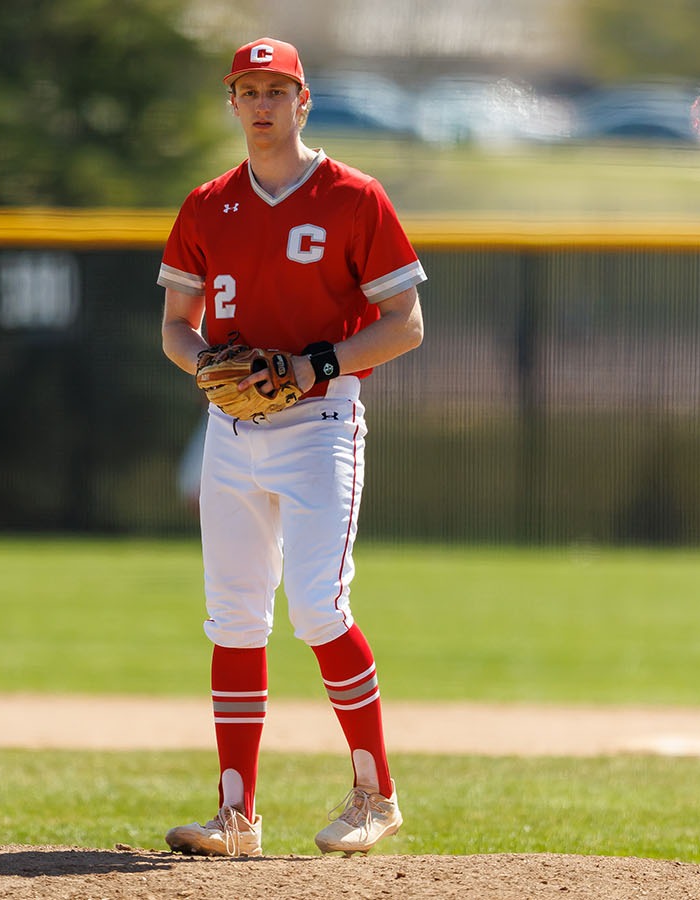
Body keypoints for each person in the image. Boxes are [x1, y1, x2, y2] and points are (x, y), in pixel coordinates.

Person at [157, 36, 427, 857]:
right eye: (249, 89)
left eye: (278, 88)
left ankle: (374, 795)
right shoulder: (207, 204)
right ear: (231, 103)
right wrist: (209, 364)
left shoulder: (353, 197)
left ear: (303, 101)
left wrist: (310, 366)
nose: (263, 103)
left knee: (317, 606)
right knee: (234, 618)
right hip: (231, 431)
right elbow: (175, 326)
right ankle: (236, 816)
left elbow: (405, 326)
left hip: (319, 425)